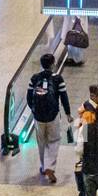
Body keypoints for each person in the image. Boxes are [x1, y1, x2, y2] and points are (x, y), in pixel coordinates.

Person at [27, 53, 71, 184]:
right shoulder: (58, 79)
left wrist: (34, 110)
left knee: (41, 141)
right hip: (53, 116)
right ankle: (50, 167)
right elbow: (63, 97)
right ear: (53, 64)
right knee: (54, 140)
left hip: (38, 117)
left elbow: (29, 98)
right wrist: (68, 113)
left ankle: (43, 166)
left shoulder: (34, 78)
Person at [74, 84, 98, 196]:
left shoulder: (88, 106)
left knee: (81, 169)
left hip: (82, 144)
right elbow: (86, 132)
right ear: (92, 95)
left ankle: (83, 195)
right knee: (86, 171)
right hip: (86, 146)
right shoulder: (89, 112)